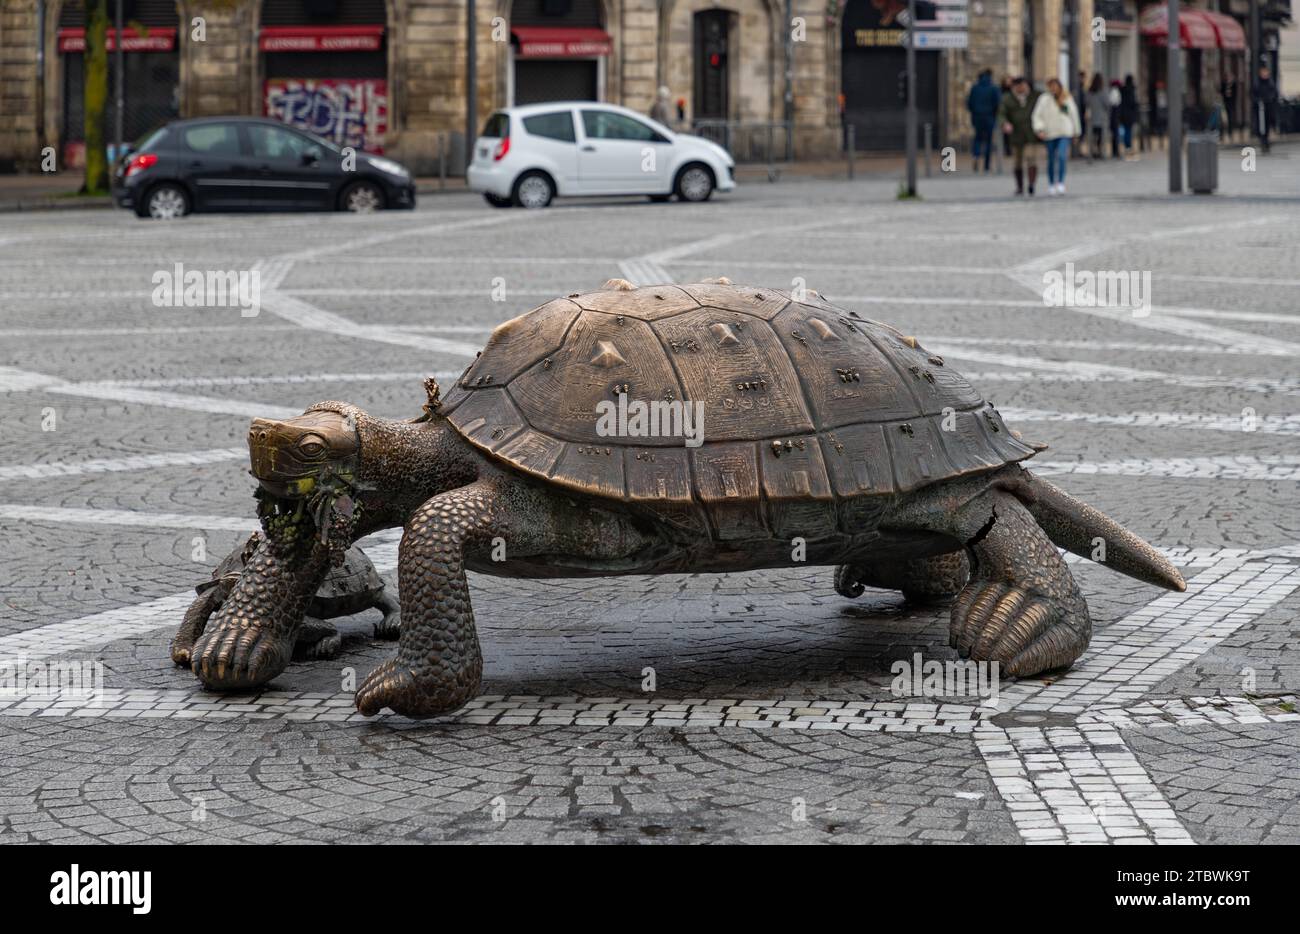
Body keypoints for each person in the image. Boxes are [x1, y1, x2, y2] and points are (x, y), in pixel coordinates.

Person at [1032, 77, 1081, 195]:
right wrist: (1039, 129)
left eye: (1055, 85)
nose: (1053, 88)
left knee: (1061, 155)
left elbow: (1074, 115)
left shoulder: (1066, 98)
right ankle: (1051, 183)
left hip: (1064, 131)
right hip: (1049, 133)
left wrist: (1076, 132)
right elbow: (1037, 115)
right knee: (1051, 159)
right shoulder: (1043, 99)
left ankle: (1061, 182)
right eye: (1051, 86)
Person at [997, 76, 1040, 195]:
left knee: (1031, 158)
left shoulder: (1035, 96)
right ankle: (1020, 187)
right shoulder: (1007, 99)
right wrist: (1004, 123)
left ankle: (1031, 184)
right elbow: (1001, 113)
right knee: (1017, 161)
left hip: (1031, 134)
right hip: (1016, 135)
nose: (1021, 89)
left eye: (1023, 86)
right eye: (1018, 87)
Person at [966, 69, 1001, 172]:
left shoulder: (975, 88)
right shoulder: (993, 88)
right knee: (988, 141)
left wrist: (974, 112)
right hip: (989, 116)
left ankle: (976, 155)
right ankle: (986, 164)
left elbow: (969, 103)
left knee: (977, 138)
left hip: (977, 116)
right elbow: (997, 104)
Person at [1253, 65, 1279, 152]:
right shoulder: (1257, 83)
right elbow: (1253, 94)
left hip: (1268, 106)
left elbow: (1274, 93)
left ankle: (1266, 141)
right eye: (1263, 72)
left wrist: (1269, 99)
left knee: (1267, 124)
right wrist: (1258, 100)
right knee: (1260, 124)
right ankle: (1262, 140)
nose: (1264, 74)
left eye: (1265, 72)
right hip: (1260, 107)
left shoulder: (1270, 82)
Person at [1086, 73, 1109, 162]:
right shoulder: (1103, 91)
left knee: (1091, 137)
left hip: (1091, 117)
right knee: (1102, 137)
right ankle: (1102, 153)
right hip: (1102, 117)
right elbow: (1107, 104)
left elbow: (1086, 102)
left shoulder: (1089, 91)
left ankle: (1090, 154)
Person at [1119, 75, 1139, 160]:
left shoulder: (1122, 90)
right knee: (1129, 131)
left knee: (1126, 130)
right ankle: (1128, 147)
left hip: (1123, 114)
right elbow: (1133, 103)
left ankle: (1127, 147)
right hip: (1130, 114)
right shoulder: (1131, 90)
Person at [1108, 79, 1123, 158]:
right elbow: (1114, 103)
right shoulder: (1115, 92)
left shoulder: (1112, 91)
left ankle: (1115, 150)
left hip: (1114, 115)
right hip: (1115, 115)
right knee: (1115, 134)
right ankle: (1116, 151)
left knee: (1115, 134)